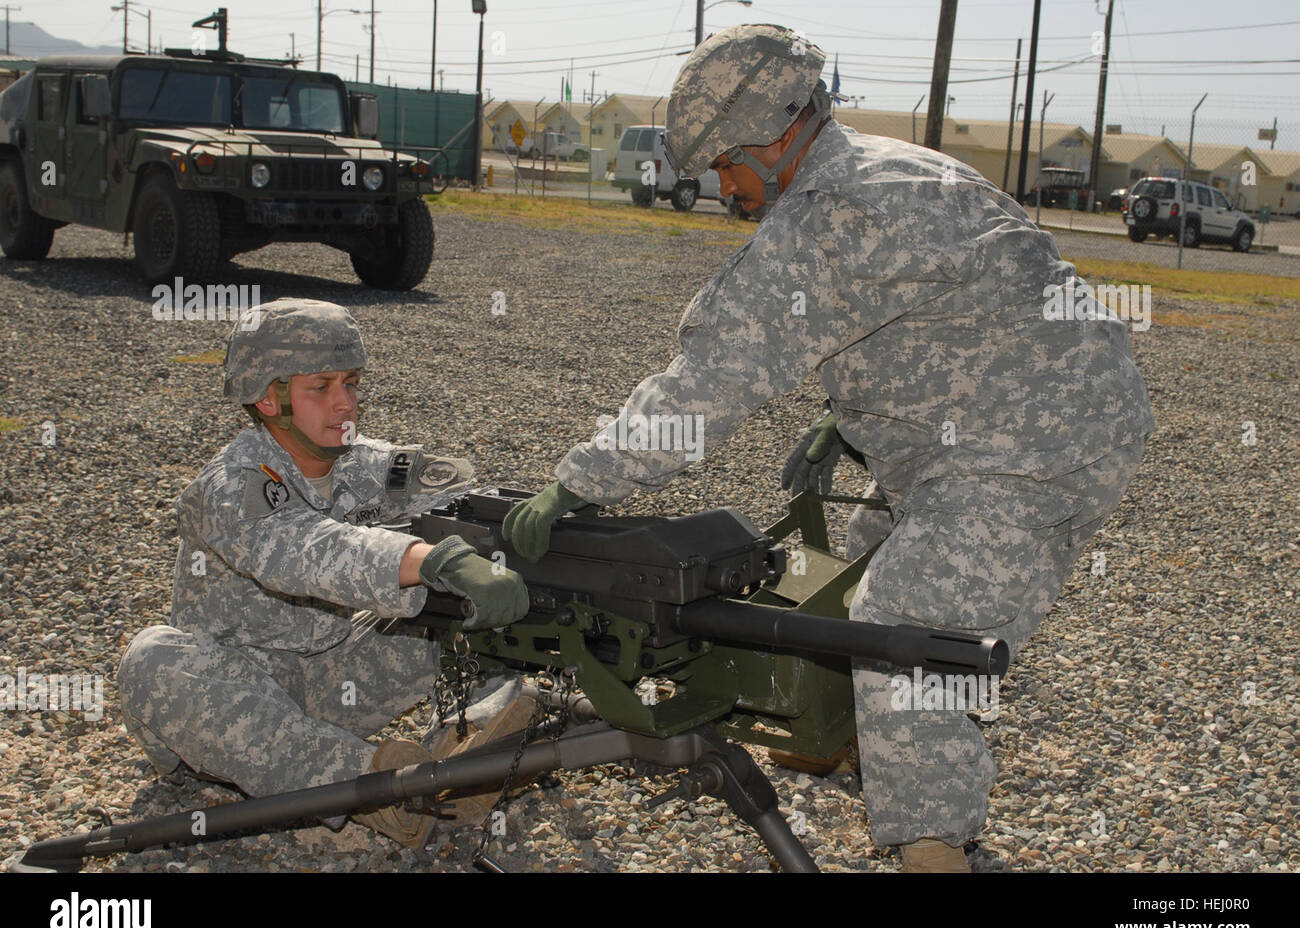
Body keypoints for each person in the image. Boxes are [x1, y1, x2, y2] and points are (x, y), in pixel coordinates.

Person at [502, 25, 1154, 872]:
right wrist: (849, 420)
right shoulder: (899, 164)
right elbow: (955, 304)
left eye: (727, 165)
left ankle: (933, 848)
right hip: (1037, 419)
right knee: (861, 557)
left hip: (1026, 449)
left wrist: (576, 485)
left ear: (775, 136)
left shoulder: (826, 218)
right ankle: (854, 743)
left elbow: (705, 389)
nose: (727, 190)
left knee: (905, 630)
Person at [118, 298, 530, 849]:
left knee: (474, 624)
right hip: (235, 706)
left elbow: (462, 498)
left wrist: (535, 526)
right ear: (269, 397)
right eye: (321, 387)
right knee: (153, 658)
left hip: (333, 683)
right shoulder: (233, 483)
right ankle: (387, 791)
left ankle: (459, 756)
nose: (345, 403)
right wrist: (429, 558)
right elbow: (303, 548)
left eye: (352, 383)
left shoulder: (363, 462)